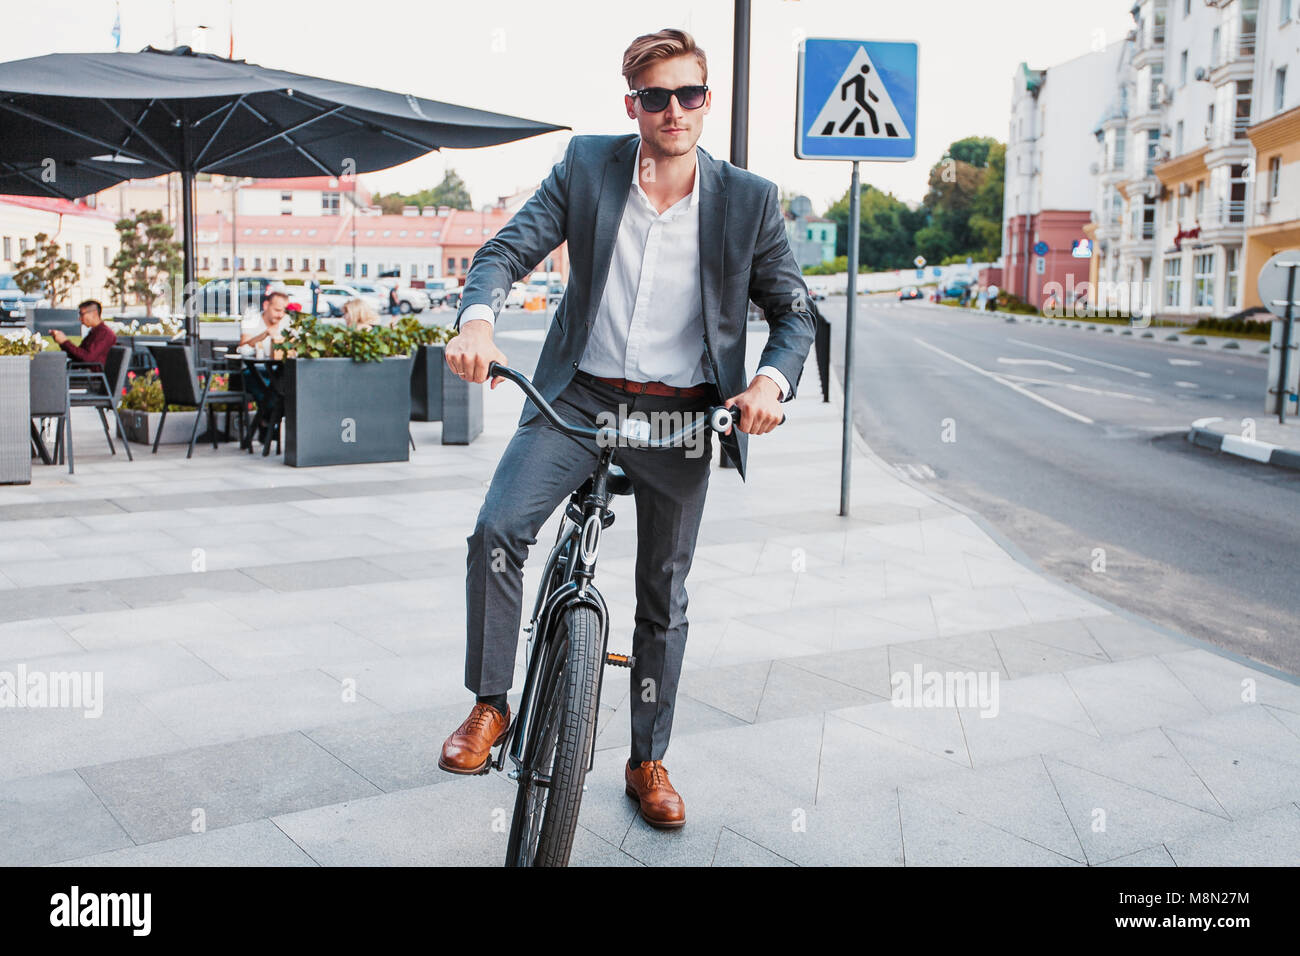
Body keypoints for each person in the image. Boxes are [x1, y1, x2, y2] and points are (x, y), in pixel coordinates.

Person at [440, 28, 816, 829]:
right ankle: (491, 704)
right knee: (499, 529)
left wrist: (768, 384)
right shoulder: (587, 166)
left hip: (683, 413)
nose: (674, 110)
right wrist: (477, 320)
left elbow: (792, 312)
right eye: (657, 97)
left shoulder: (748, 199)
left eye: (690, 94)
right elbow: (506, 251)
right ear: (632, 105)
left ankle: (648, 759)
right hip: (578, 398)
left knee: (662, 593)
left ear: (707, 99)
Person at [50, 299, 116, 371]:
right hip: (84, 372)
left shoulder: (104, 333)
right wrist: (62, 342)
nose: (79, 318)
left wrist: (65, 342)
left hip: (91, 377)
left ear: (94, 314)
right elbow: (78, 355)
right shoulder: (95, 332)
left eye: (82, 314)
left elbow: (87, 358)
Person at [237, 290, 292, 358]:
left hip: (283, 366)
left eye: (284, 311)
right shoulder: (250, 320)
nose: (281, 315)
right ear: (266, 305)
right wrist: (263, 335)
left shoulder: (288, 320)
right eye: (277, 310)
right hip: (254, 366)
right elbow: (242, 348)